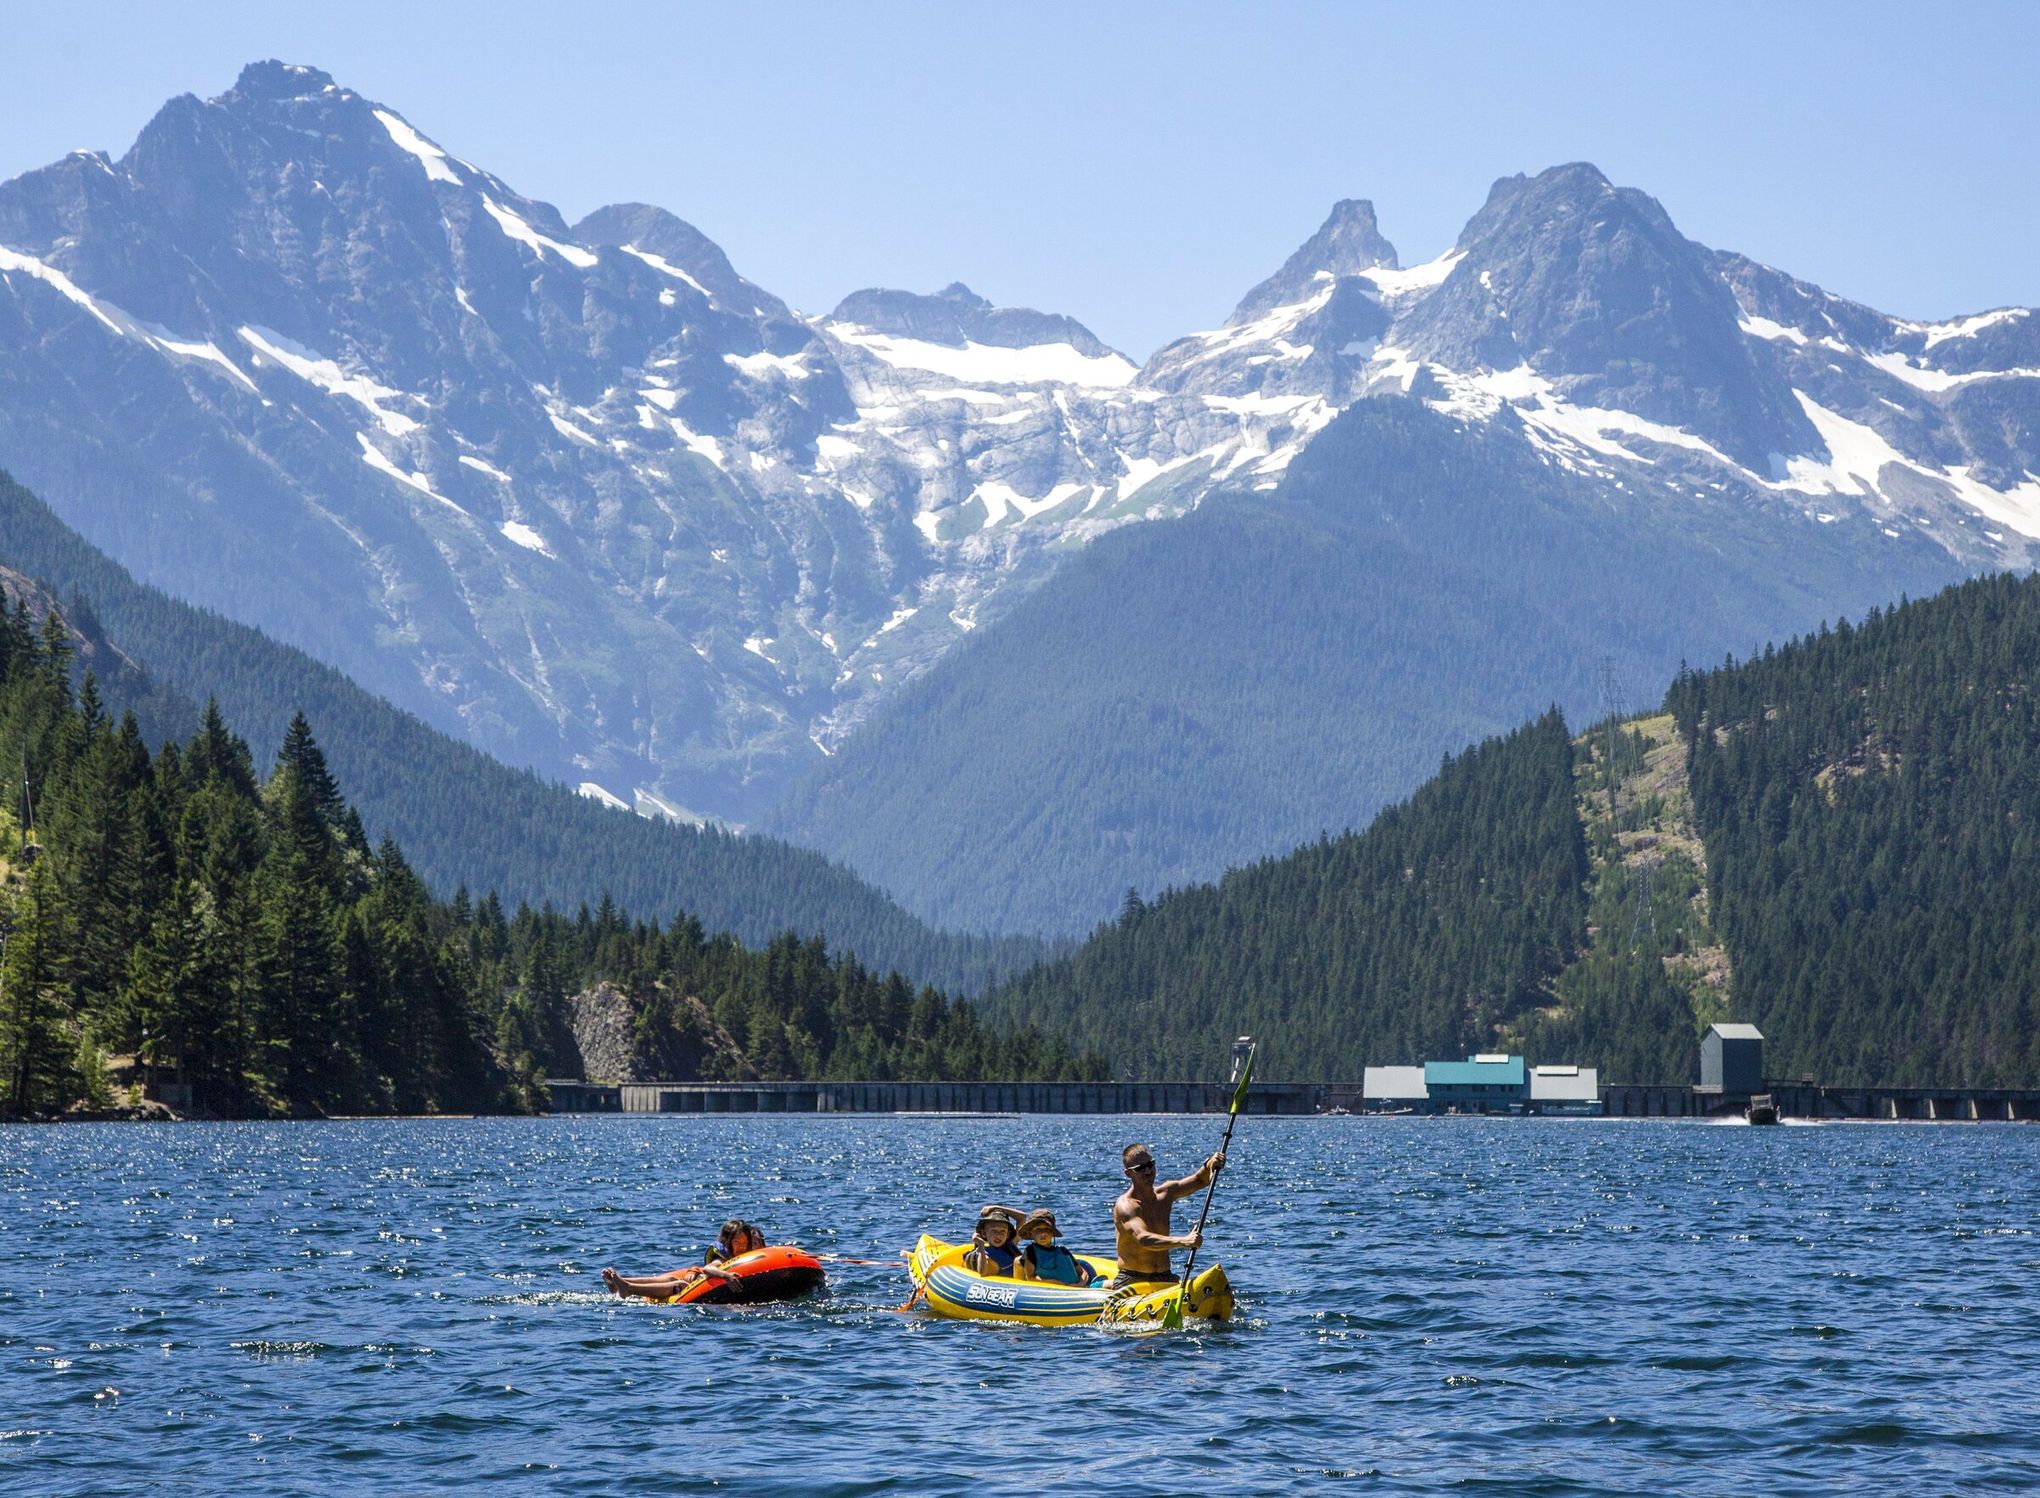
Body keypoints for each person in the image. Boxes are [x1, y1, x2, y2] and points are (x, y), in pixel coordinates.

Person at [1108, 1142, 1223, 1292]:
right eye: (1140, 1168)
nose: (1148, 1171)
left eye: (1150, 1164)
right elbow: (1143, 1239)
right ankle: (1104, 1285)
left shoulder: (1165, 1193)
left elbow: (1199, 1180)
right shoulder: (1126, 1206)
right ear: (1128, 1174)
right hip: (1133, 1279)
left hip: (1164, 1276)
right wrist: (1184, 1241)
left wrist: (1209, 1164)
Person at [602, 1219, 764, 1299]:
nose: (742, 1246)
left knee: (674, 1279)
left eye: (745, 1243)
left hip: (695, 1278)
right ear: (728, 1242)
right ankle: (627, 1287)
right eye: (737, 1242)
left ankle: (620, 1282)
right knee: (677, 1284)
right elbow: (709, 1268)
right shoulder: (723, 1259)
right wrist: (726, 1276)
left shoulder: (754, 1257)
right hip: (698, 1283)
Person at [1012, 1209, 1096, 1286]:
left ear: (1053, 1233)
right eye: (1038, 1229)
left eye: (1047, 1229)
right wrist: (1053, 1282)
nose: (1043, 1234)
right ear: (1031, 1233)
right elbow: (1031, 1277)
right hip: (1054, 1291)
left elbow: (1082, 1272)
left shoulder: (1063, 1251)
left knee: (1107, 1284)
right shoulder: (1031, 1251)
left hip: (1077, 1288)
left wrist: (1081, 1283)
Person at [962, 1204, 1023, 1276]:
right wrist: (981, 1245)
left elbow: (1022, 1217)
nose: (998, 1235)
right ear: (984, 1233)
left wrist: (996, 1207)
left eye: (1002, 1231)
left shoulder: (1011, 1245)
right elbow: (982, 1272)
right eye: (993, 1231)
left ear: (1008, 1234)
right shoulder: (983, 1253)